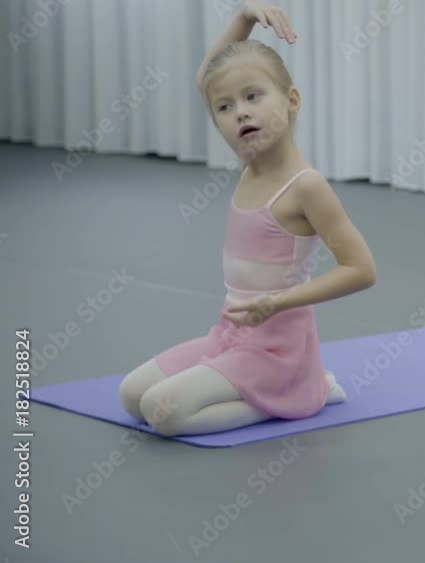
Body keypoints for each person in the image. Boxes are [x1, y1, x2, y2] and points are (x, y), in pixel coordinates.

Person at [118, 2, 376, 437]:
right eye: (225, 107)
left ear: (291, 101)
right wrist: (245, 18)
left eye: (253, 97)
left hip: (278, 348)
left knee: (162, 412)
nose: (239, 112)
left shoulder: (305, 187)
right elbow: (208, 79)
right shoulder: (251, 167)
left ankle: (304, 391)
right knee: (132, 396)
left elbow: (362, 270)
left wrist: (276, 303)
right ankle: (283, 389)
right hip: (230, 335)